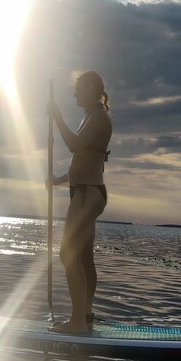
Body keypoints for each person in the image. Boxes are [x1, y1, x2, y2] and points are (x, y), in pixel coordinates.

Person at [47, 70, 112, 333]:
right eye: (77, 87)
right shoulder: (90, 116)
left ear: (95, 91)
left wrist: (57, 117)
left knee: (67, 254)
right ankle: (85, 317)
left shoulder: (99, 118)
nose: (77, 92)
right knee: (84, 258)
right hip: (85, 192)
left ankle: (76, 322)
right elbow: (85, 160)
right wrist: (59, 180)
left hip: (88, 195)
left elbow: (74, 145)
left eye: (82, 87)